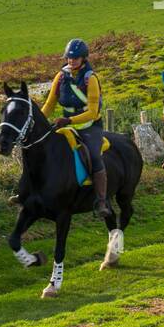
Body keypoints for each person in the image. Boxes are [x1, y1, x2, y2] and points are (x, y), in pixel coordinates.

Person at [41, 38, 112, 218]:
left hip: (90, 126)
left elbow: (93, 111)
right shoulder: (60, 77)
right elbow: (49, 105)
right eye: (69, 58)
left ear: (83, 59)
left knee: (95, 156)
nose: (71, 61)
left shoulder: (91, 79)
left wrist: (69, 121)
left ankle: (102, 201)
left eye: (75, 58)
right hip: (67, 125)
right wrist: (38, 121)